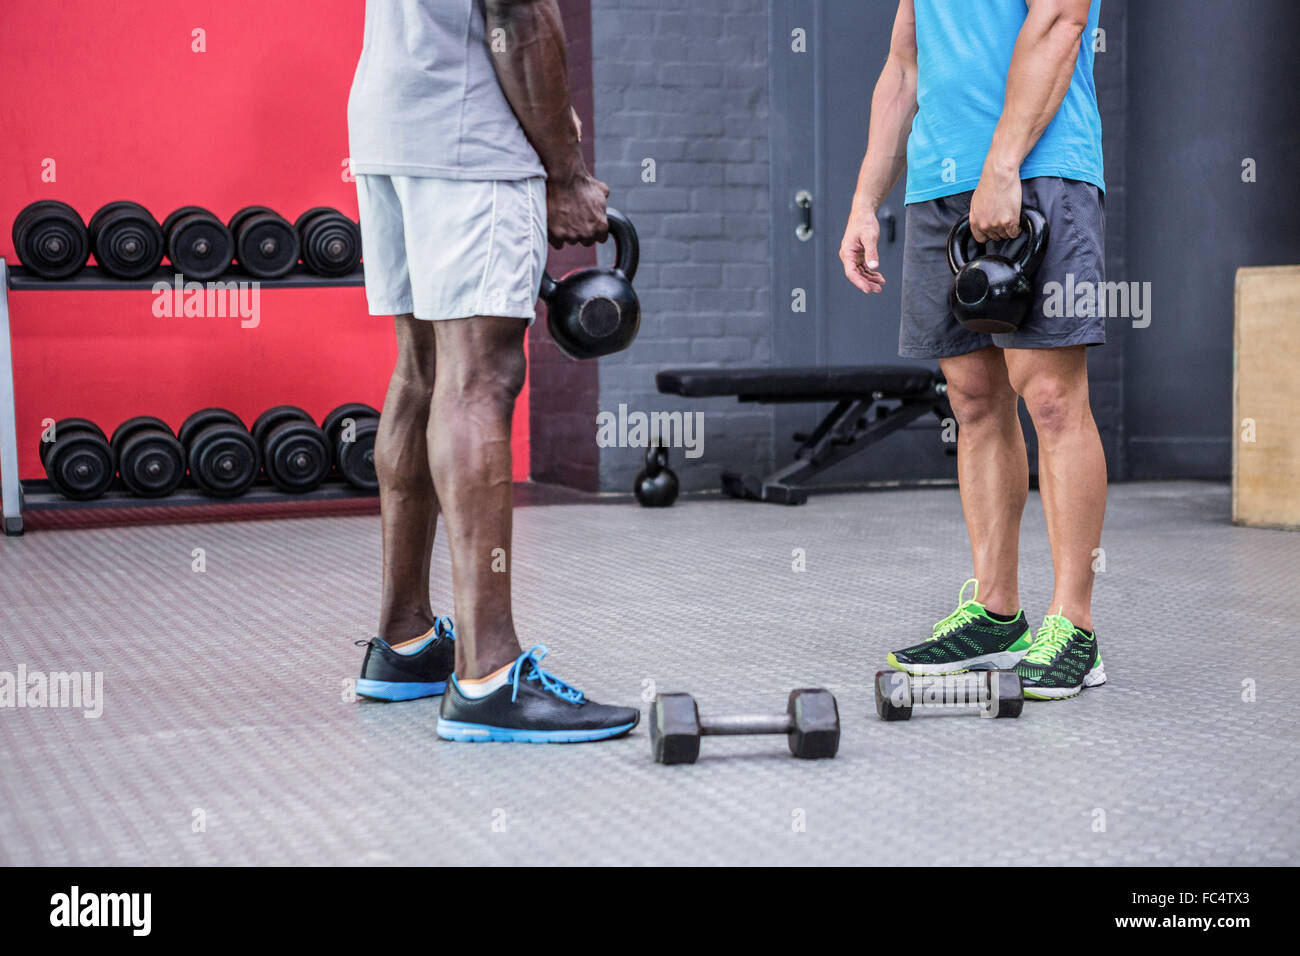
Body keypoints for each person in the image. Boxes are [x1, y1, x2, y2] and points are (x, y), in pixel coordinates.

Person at [346, 0, 638, 740]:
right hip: (470, 134)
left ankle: (405, 641)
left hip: (389, 124)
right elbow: (516, 10)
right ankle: (490, 675)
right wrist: (564, 173)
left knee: (422, 372)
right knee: (480, 380)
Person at [839, 0, 1108, 700]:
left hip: (1039, 166)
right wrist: (868, 198)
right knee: (974, 399)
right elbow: (904, 66)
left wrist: (1003, 164)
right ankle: (996, 612)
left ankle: (1074, 625)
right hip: (940, 184)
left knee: (1050, 397)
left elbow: (1060, 23)